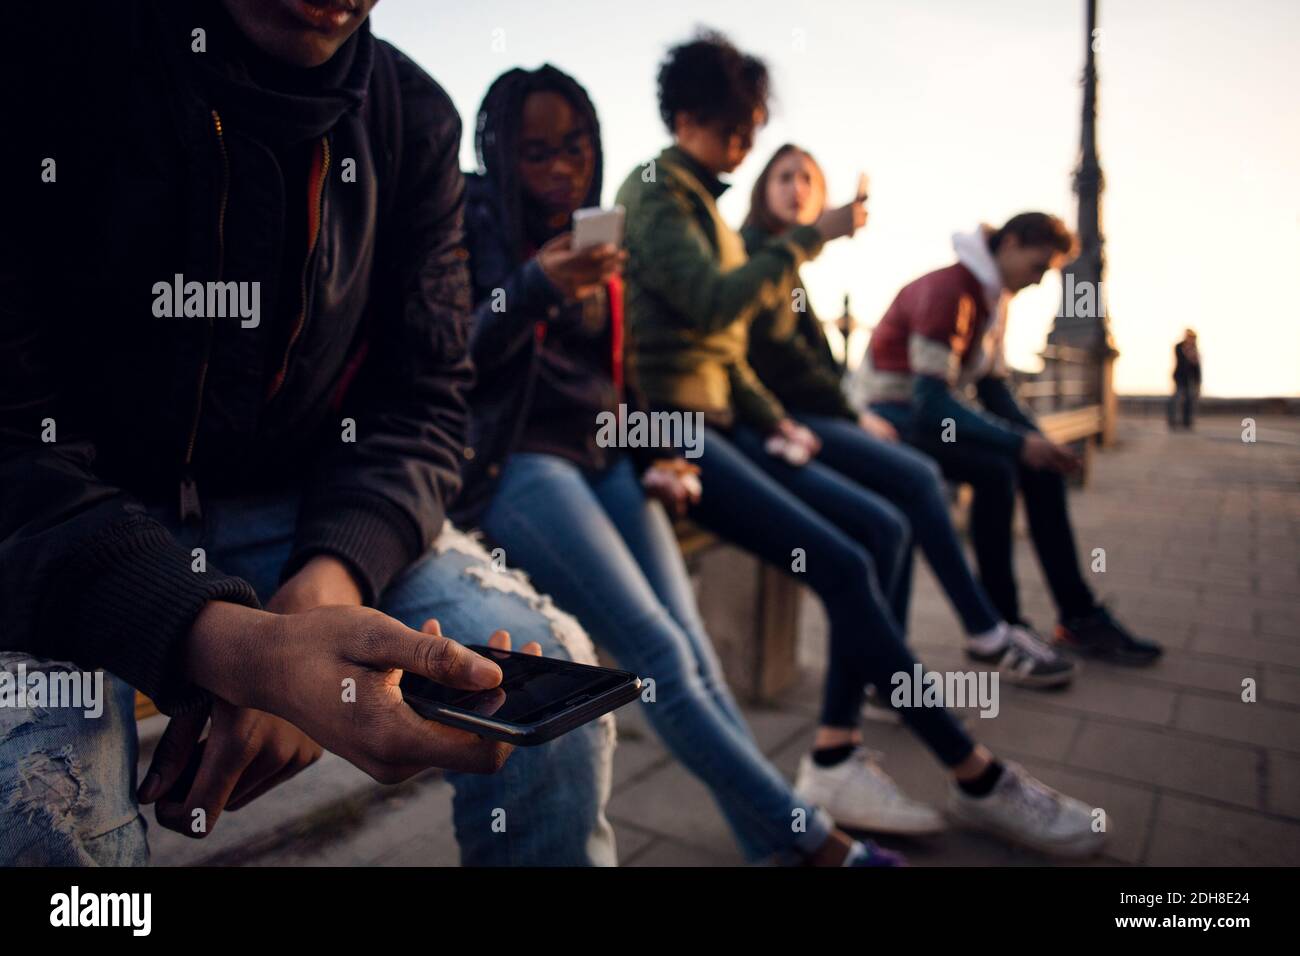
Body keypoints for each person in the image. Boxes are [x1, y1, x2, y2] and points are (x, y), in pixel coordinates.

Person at [0, 0, 614, 866]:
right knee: (47, 824)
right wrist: (240, 649)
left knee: (551, 694)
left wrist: (328, 585)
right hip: (60, 515)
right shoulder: (43, 52)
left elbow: (425, 399)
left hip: (304, 506)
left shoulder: (411, 118)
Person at [616, 30, 1106, 856]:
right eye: (739, 130)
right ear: (690, 114)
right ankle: (973, 769)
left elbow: (729, 357)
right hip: (672, 429)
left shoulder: (704, 202)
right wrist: (813, 236)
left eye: (753, 129)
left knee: (882, 527)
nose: (745, 145)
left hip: (736, 423)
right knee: (853, 551)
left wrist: (777, 422)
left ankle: (838, 751)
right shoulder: (659, 189)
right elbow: (707, 307)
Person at [454, 64, 899, 866]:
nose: (562, 168)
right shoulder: (474, 213)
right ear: (500, 152)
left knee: (694, 652)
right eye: (537, 152)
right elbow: (449, 353)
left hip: (606, 454)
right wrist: (530, 288)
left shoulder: (601, 226)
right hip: (520, 462)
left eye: (577, 147)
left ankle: (768, 846)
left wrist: (658, 446)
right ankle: (819, 843)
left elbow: (613, 374)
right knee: (658, 654)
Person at [742, 144, 1076, 692]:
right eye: (784, 176)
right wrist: (852, 412)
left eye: (808, 179)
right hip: (811, 419)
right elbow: (782, 365)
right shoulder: (764, 255)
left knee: (905, 509)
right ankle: (984, 631)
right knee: (915, 487)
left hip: (829, 414)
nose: (797, 188)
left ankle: (905, 670)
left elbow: (992, 388)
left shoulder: (989, 296)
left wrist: (1029, 440)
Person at [850, 214, 1163, 666]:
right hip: (890, 417)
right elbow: (931, 402)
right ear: (1010, 243)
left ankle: (1072, 615)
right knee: (997, 470)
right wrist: (1019, 445)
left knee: (1037, 467)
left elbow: (995, 390)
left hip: (925, 415)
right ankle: (1000, 623)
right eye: (1038, 267)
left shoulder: (994, 296)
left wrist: (1038, 443)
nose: (1038, 282)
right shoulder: (949, 291)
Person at [1169, 329, 1201, 430]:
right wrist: (1188, 353)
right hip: (1179, 377)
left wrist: (1198, 380)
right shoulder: (1180, 347)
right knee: (1177, 398)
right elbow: (1181, 361)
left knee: (1189, 399)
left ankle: (1186, 422)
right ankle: (1172, 421)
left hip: (1189, 378)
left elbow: (1196, 366)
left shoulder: (1194, 348)